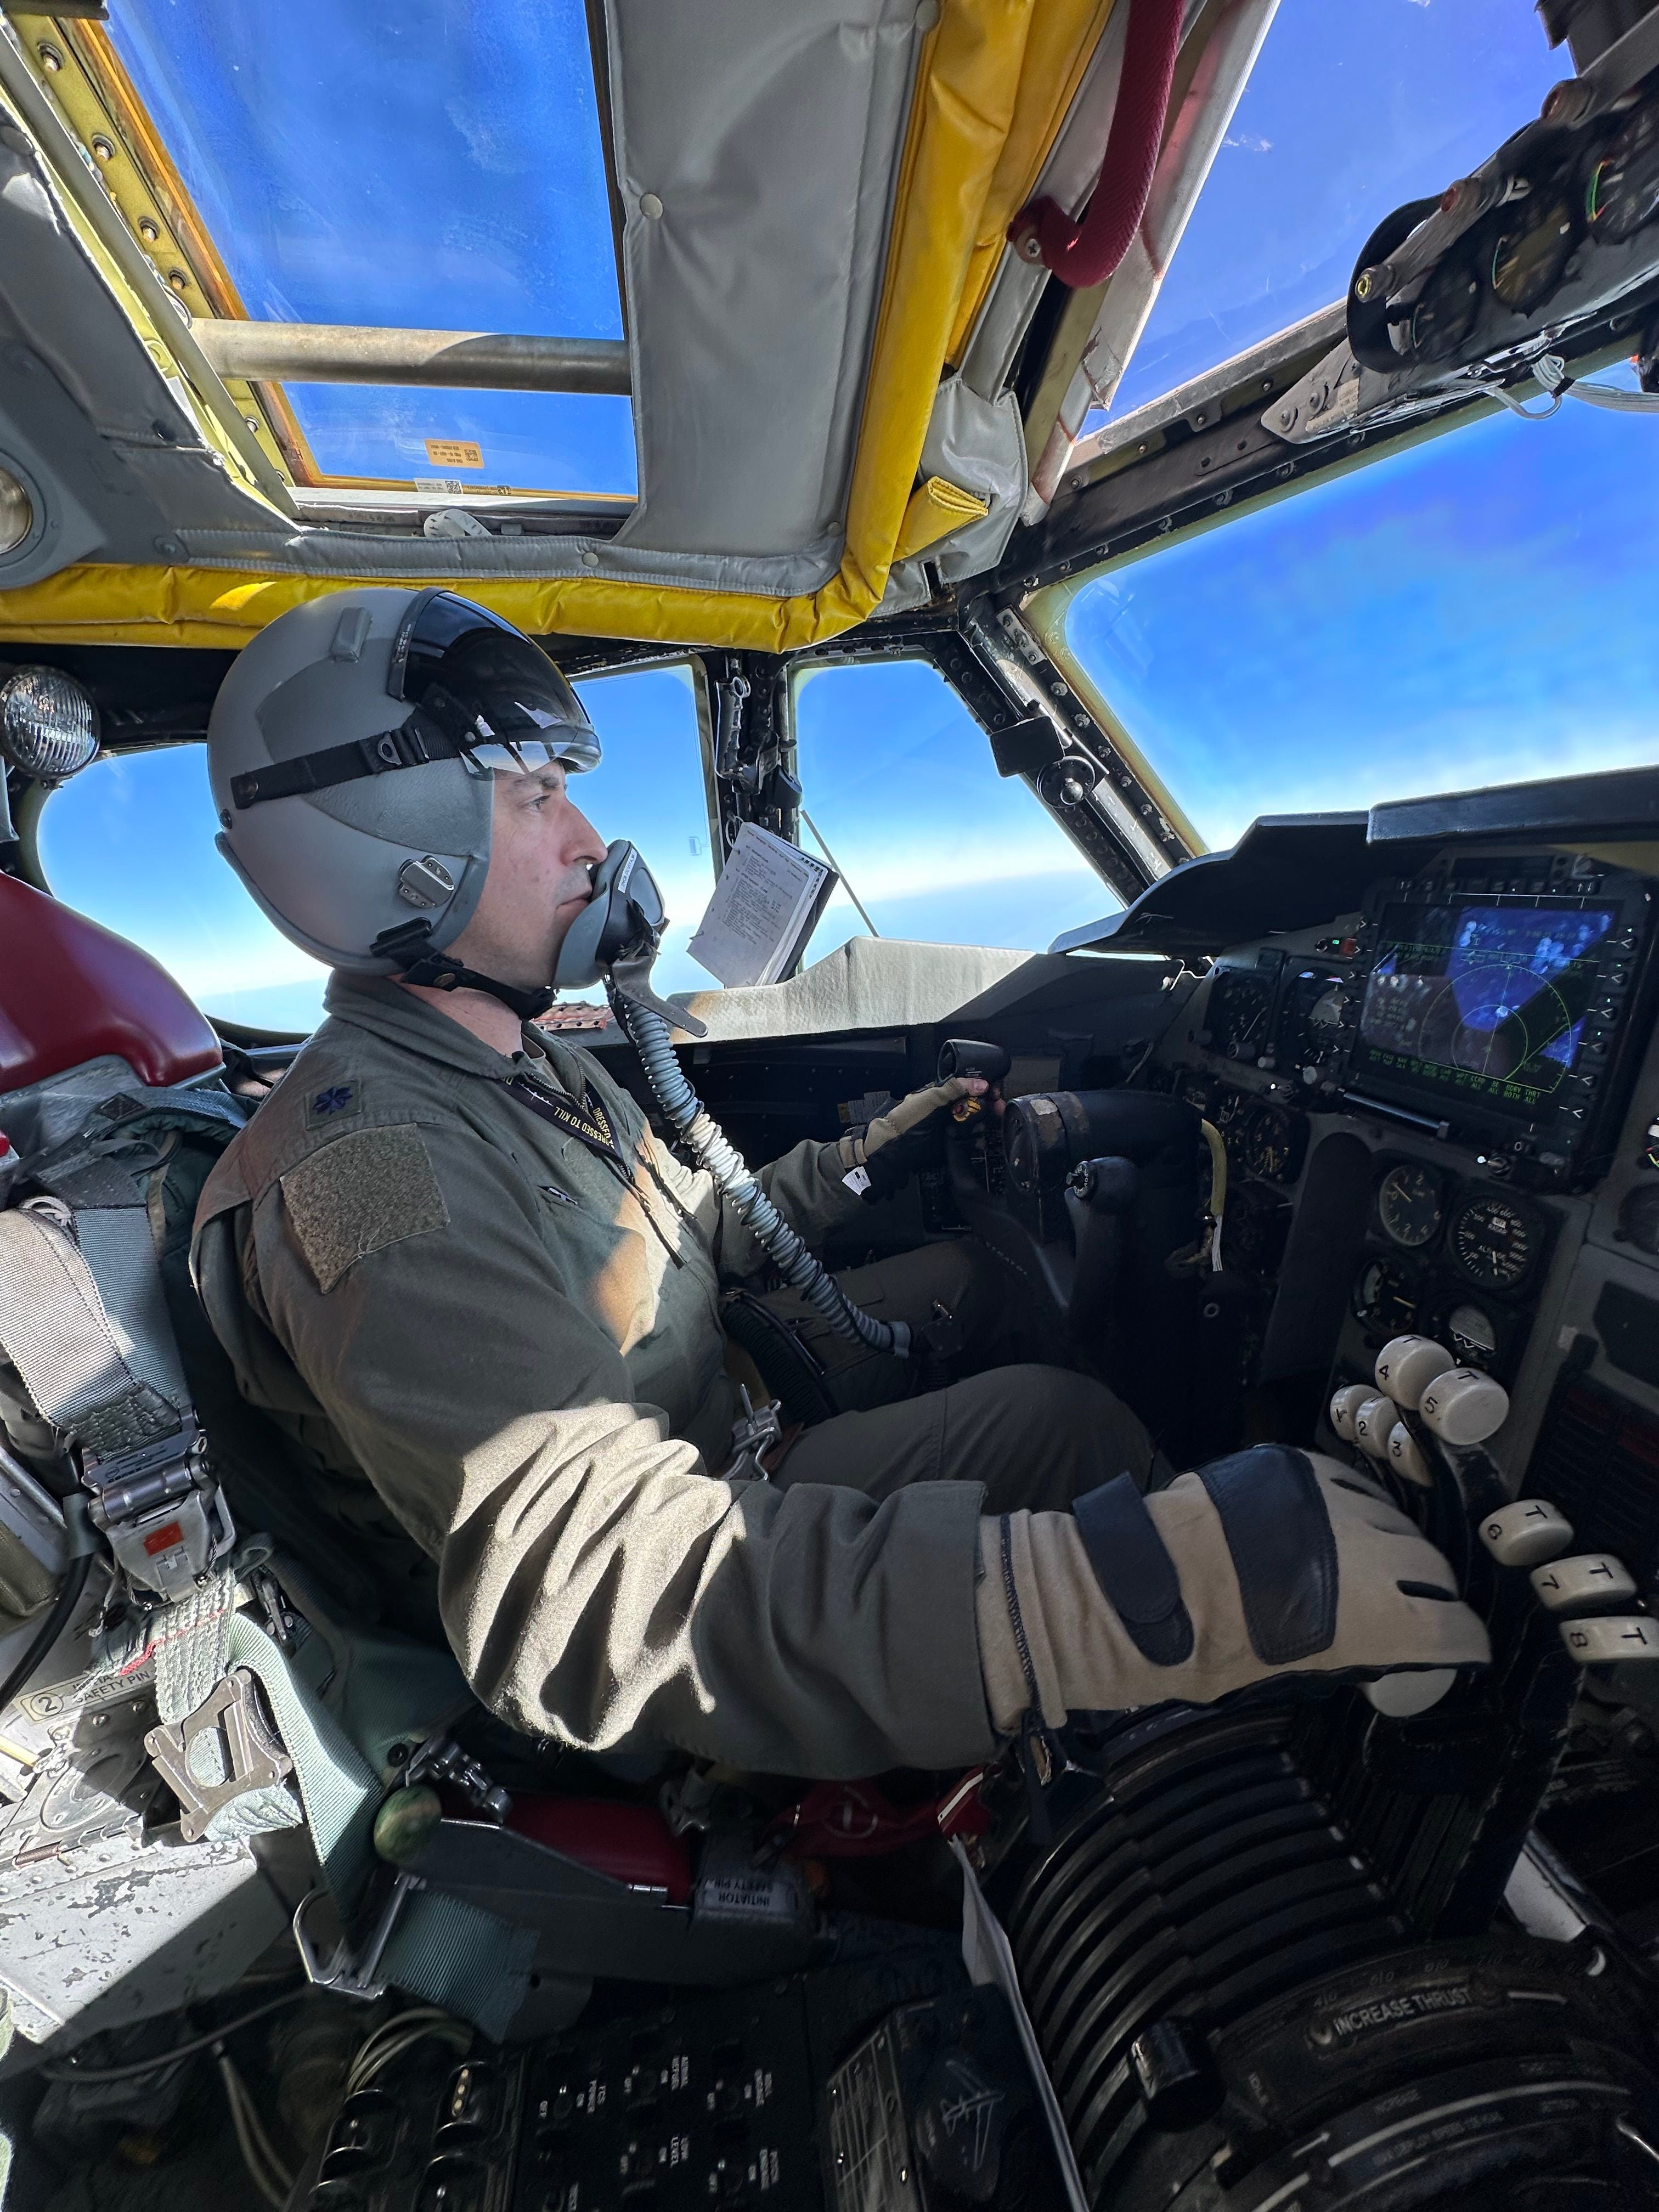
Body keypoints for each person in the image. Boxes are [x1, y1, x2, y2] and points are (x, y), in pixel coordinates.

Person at [193, 589, 1488, 1779]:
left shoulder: (521, 1059)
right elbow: (585, 1594)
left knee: (1025, 1351)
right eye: (534, 799)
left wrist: (876, 1150)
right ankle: (1186, 1768)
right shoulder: (367, 1173)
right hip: (676, 1591)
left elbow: (690, 1231)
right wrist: (1107, 1601)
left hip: (719, 1423)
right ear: (391, 845)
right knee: (1070, 1428)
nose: (590, 837)